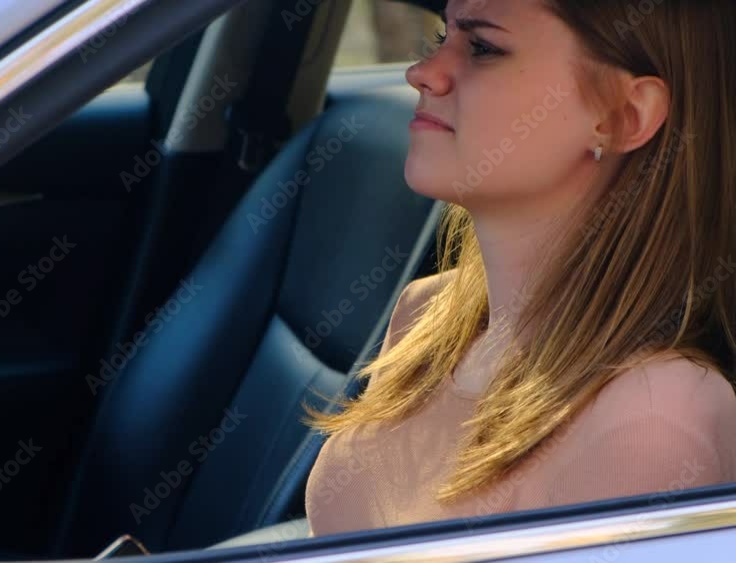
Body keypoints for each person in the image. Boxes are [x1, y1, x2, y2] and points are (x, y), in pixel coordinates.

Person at [304, 0, 736, 537]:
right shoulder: (426, 316)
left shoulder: (653, 418)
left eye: (483, 48)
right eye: (443, 38)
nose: (423, 73)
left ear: (623, 117)